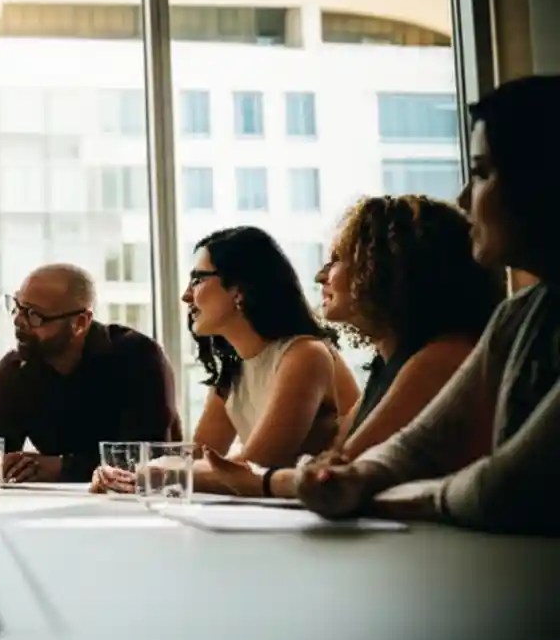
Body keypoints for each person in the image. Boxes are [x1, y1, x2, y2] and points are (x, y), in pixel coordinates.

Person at [296, 75, 560, 535]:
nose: (464, 199)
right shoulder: (519, 317)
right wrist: (358, 478)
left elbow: (505, 489)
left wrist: (371, 491)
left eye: (482, 173)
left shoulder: (445, 352)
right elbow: (417, 447)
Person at [205, 196, 504, 497]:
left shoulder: (441, 359)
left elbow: (335, 475)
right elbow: (331, 460)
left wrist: (260, 480)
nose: (320, 275)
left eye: (336, 259)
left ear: (383, 269)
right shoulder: (389, 363)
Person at [93, 227, 359, 494]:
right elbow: (200, 457)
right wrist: (126, 473)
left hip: (325, 513)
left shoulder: (305, 355)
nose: (186, 296)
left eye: (198, 280)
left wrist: (153, 474)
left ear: (239, 289)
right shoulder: (235, 369)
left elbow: (253, 468)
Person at [0, 264, 181, 484]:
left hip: (143, 500)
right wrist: (1, 465)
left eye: (34, 315)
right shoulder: (15, 370)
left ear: (80, 323)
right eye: (17, 307)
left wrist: (61, 468)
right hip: (60, 500)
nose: (18, 321)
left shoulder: (137, 357)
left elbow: (147, 460)